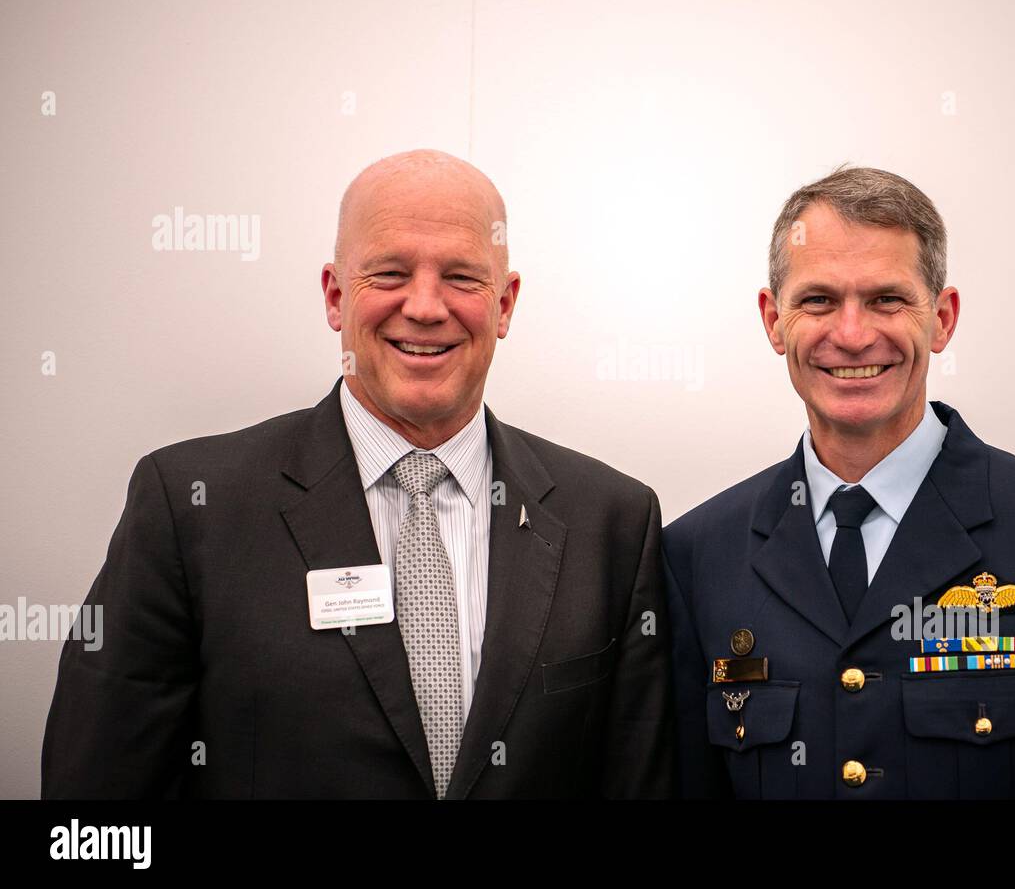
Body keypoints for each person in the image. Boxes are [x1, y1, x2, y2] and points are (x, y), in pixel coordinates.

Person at [42, 150, 673, 798]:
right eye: (390, 272)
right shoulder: (190, 511)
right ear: (335, 296)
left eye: (461, 277)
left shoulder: (613, 525)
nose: (426, 307)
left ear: (505, 304)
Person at [663, 166, 1015, 799]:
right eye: (818, 300)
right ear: (773, 320)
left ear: (942, 318)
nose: (852, 335)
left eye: (887, 299)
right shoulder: (694, 556)